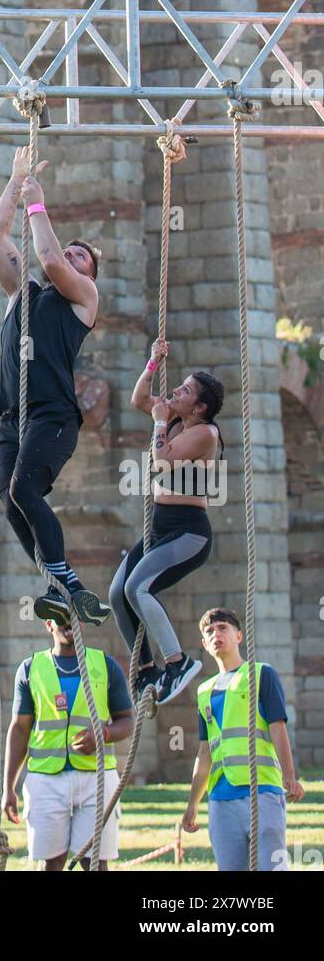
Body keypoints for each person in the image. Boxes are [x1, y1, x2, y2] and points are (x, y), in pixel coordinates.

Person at [0, 149, 109, 625]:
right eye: (73, 248)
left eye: (83, 256)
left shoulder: (83, 298)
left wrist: (37, 204)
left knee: (26, 489)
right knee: (12, 500)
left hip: (53, 416)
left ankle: (64, 582)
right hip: (12, 417)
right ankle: (61, 584)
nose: (72, 255)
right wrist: (16, 182)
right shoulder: (23, 294)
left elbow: (50, 258)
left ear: (88, 276)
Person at [110, 338, 223, 705]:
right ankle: (147, 671)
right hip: (160, 529)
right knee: (118, 593)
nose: (176, 391)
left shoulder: (206, 433)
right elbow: (139, 399)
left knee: (138, 589)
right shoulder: (174, 417)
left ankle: (178, 661)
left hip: (188, 533)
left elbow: (162, 461)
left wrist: (160, 424)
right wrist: (153, 363)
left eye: (186, 390)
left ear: (200, 406)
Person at [3, 620, 134, 870]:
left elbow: (127, 721)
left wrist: (103, 734)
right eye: (60, 616)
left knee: (94, 862)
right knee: (51, 862)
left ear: (82, 622)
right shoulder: (31, 668)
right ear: (48, 624)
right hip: (46, 778)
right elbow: (19, 729)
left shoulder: (106, 666)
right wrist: (8, 787)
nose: (68, 622)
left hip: (97, 778)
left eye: (74, 615)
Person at [182, 608, 303, 871]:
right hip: (220, 799)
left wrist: (290, 776)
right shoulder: (204, 691)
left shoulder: (261, 674)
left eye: (223, 628)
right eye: (209, 631)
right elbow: (205, 752)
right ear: (204, 644)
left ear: (239, 635)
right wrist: (193, 803)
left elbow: (277, 728)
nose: (216, 634)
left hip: (261, 792)